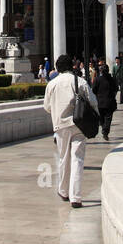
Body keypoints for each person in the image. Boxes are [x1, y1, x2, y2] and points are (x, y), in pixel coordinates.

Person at [42, 54, 97, 207]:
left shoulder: (52, 84)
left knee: (63, 159)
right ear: (72, 66)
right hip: (79, 124)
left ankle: (64, 191)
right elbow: (93, 102)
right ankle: (76, 197)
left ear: (57, 68)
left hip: (61, 126)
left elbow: (46, 107)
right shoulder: (79, 81)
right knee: (77, 159)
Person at [93, 61, 118, 142]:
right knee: (108, 118)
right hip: (109, 101)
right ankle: (105, 131)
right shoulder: (112, 79)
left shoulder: (98, 79)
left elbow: (94, 90)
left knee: (102, 117)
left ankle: (104, 129)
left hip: (100, 102)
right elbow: (116, 88)